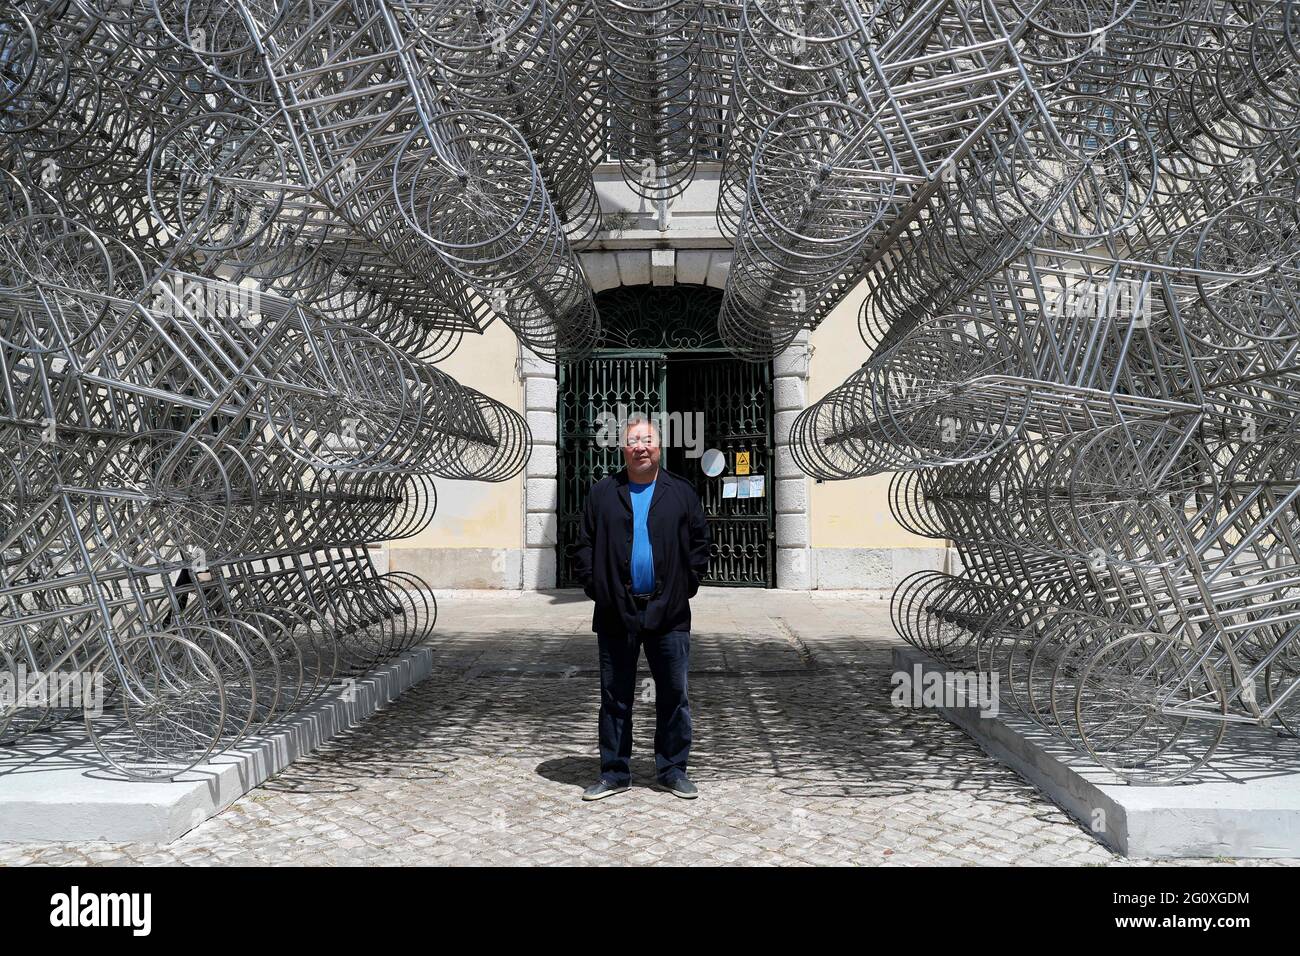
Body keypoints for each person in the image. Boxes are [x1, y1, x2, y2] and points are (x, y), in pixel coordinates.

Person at [573, 415, 711, 800]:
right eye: (633, 441)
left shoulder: (681, 491)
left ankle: (672, 769)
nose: (641, 447)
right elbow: (583, 544)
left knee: (673, 694)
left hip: (669, 613)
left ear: (659, 445)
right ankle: (615, 771)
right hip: (616, 611)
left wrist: (688, 584)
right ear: (623, 448)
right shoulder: (602, 492)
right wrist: (596, 586)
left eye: (647, 440)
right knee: (615, 696)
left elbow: (700, 543)